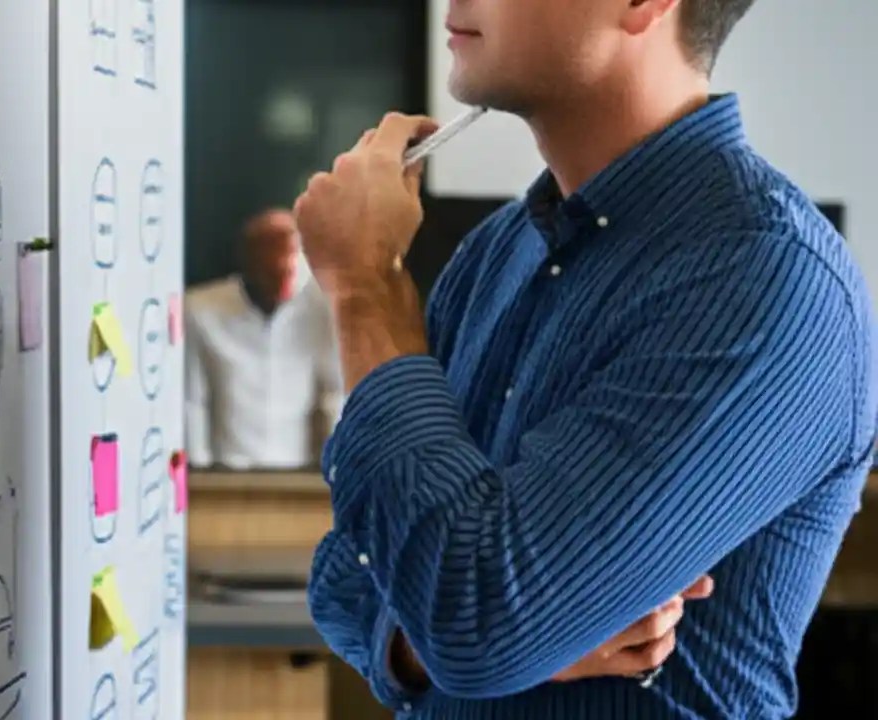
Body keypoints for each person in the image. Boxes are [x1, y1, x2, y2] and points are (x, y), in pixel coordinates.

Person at [294, 0, 876, 718]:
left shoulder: (768, 278)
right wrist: (427, 648)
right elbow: (343, 577)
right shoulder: (497, 252)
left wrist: (364, 289)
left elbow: (477, 622)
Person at [184, 208, 344, 469]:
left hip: (299, 476)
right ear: (249, 263)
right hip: (224, 475)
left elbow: (336, 396)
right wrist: (199, 476)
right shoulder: (200, 311)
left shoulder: (321, 310)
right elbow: (192, 402)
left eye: (290, 270)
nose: (282, 282)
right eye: (272, 270)